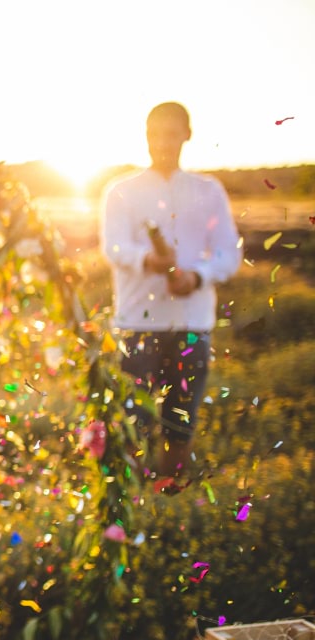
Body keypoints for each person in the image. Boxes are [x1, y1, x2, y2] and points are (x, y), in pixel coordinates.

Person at [100, 101, 242, 492]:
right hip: (136, 326)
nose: (161, 142)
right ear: (145, 136)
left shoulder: (209, 191)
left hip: (191, 325)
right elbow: (113, 248)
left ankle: (167, 503)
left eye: (170, 132)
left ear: (187, 134)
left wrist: (196, 277)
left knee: (180, 424)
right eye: (154, 134)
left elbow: (229, 254)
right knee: (133, 425)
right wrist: (149, 260)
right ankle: (128, 506)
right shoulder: (121, 192)